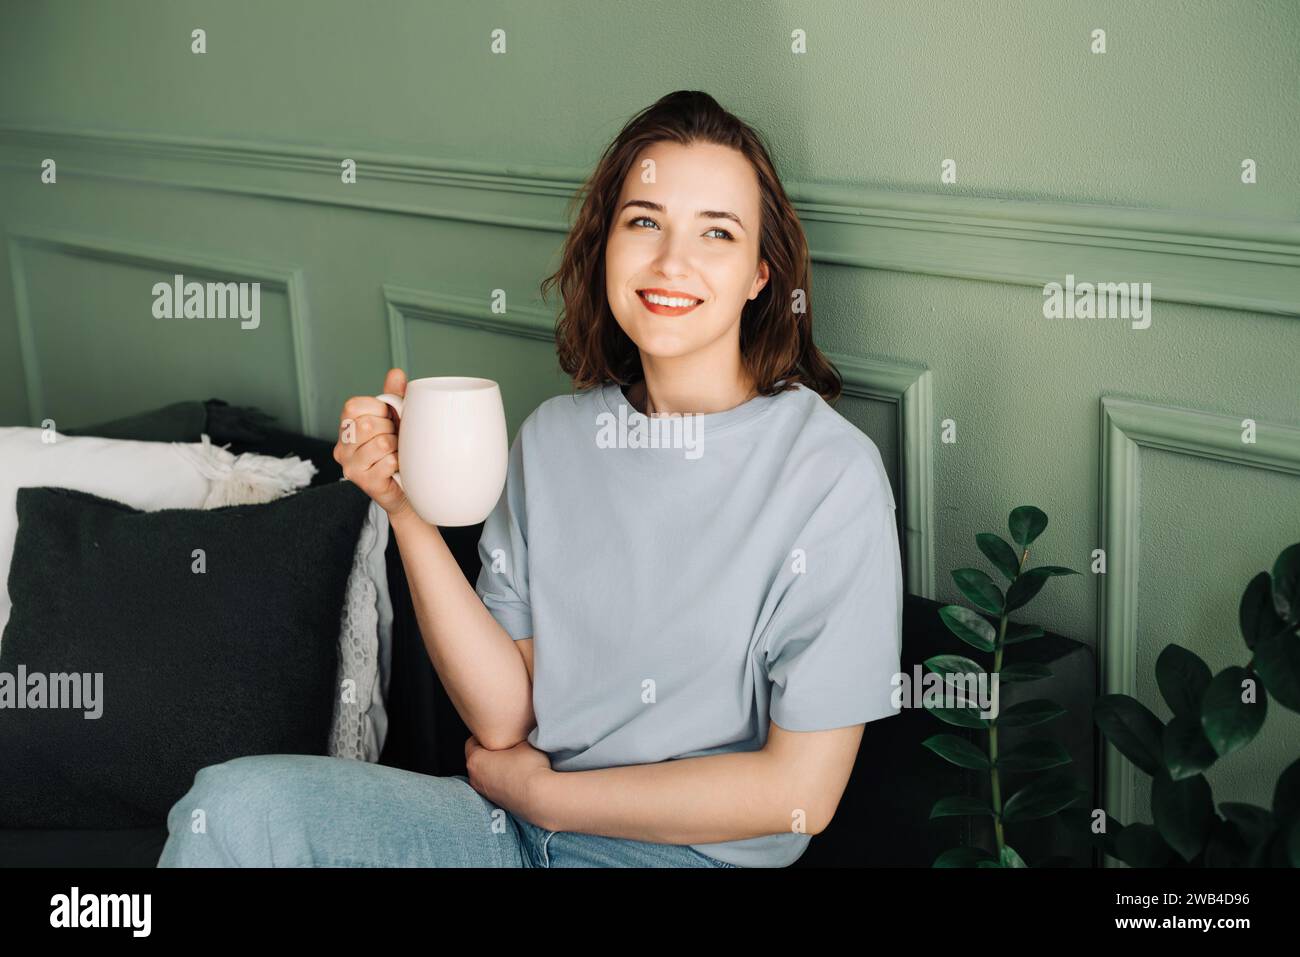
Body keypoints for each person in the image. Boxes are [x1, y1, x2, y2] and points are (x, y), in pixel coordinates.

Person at [157, 90, 902, 869]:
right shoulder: (552, 438)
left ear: (760, 275)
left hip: (676, 855)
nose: (671, 260)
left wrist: (547, 797)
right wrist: (404, 509)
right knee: (228, 812)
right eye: (644, 220)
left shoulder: (829, 475)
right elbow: (505, 712)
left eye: (717, 232)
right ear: (605, 245)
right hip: (501, 834)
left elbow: (801, 793)